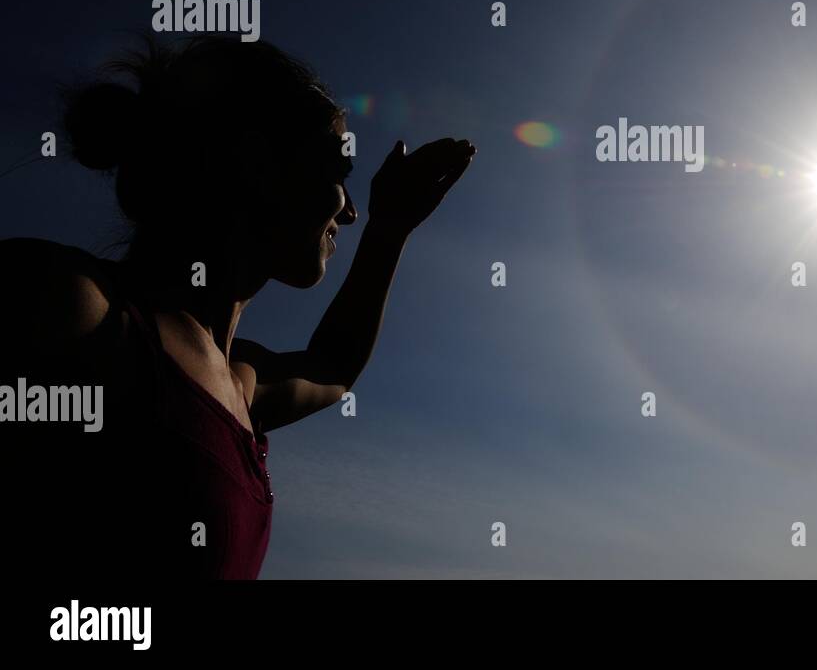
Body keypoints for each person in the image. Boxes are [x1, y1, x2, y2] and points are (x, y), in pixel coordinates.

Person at [0, 34, 474, 579]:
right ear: (257, 164)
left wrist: (389, 231)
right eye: (336, 175)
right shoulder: (74, 309)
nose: (348, 215)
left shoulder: (239, 389)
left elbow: (334, 367)